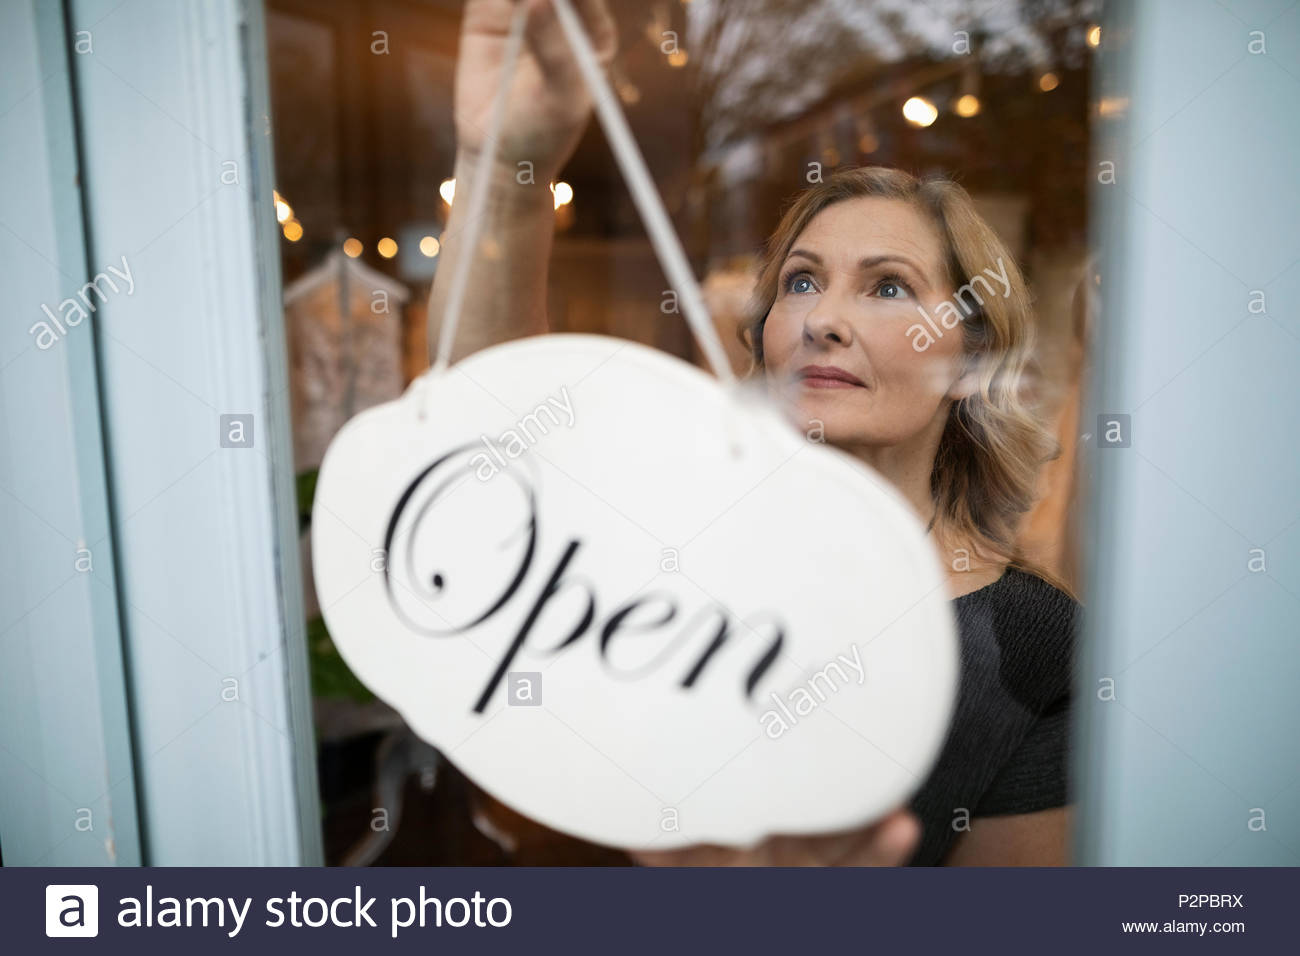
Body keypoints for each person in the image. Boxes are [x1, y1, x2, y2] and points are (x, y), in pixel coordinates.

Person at [434, 0, 1080, 866]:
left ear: (970, 358)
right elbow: (486, 444)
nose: (823, 321)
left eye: (887, 288)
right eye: (802, 283)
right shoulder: (664, 553)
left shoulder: (1034, 648)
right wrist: (504, 162)